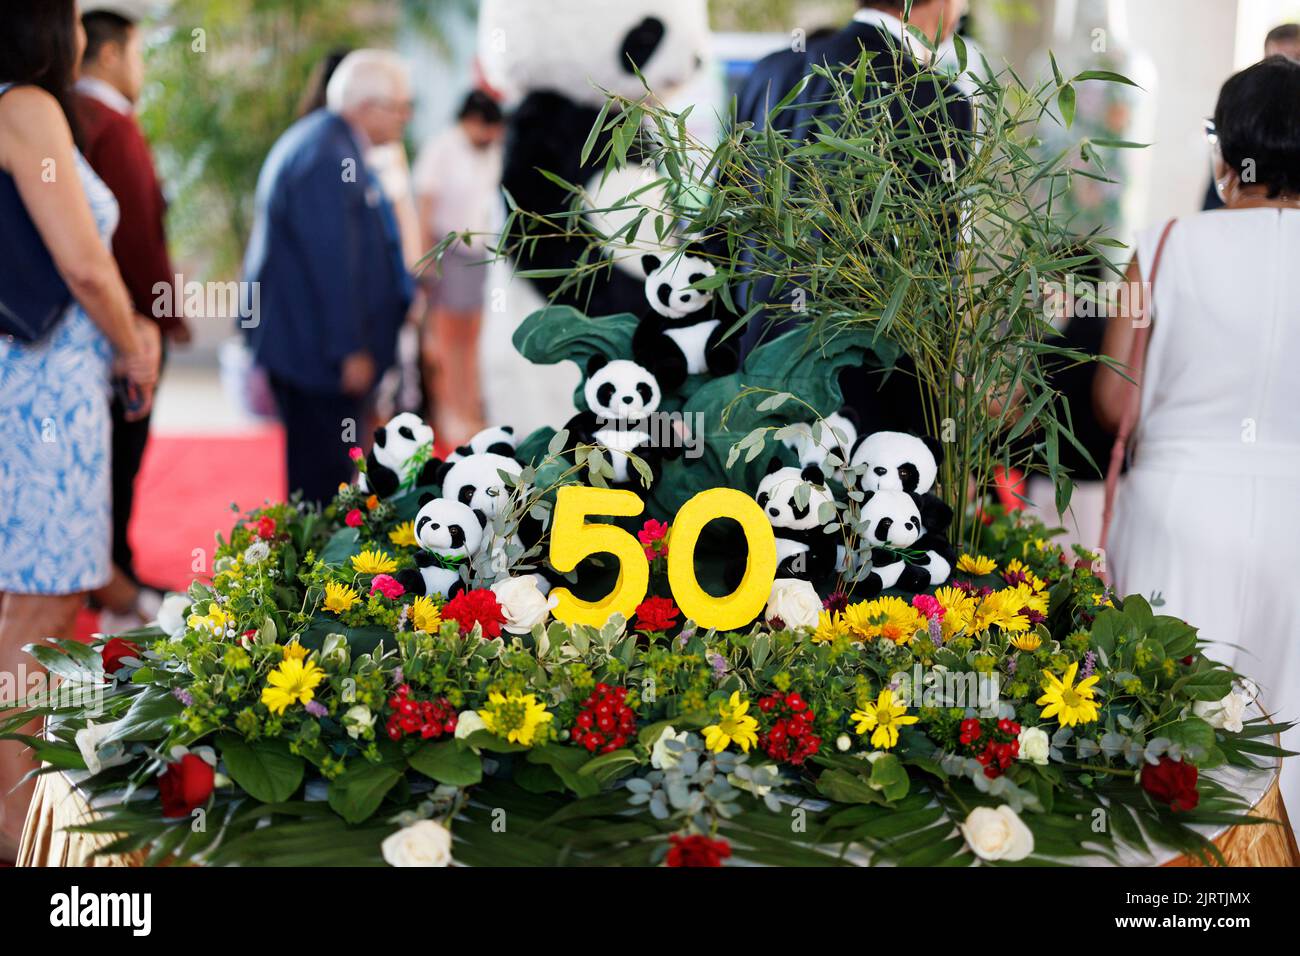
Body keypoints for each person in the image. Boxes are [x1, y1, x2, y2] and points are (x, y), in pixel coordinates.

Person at [1096, 57, 1300, 823]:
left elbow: (1117, 402)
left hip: (1179, 511)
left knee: (1168, 747)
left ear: (1226, 154)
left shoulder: (1167, 243)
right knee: (1291, 741)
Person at [0, 0, 161, 861]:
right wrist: (137, 346)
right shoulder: (24, 104)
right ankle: (21, 831)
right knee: (40, 606)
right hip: (39, 398)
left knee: (25, 605)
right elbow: (83, 263)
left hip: (27, 389)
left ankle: (28, 814)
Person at [735, 0, 971, 436]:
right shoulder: (933, 99)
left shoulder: (770, 71)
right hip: (862, 389)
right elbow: (928, 277)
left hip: (751, 368)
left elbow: (724, 228)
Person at [242, 50, 414, 506]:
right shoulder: (329, 155)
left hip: (314, 349)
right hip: (319, 354)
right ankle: (312, 573)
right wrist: (350, 348)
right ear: (367, 105)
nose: (405, 119)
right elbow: (332, 265)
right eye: (400, 107)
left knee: (325, 472)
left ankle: (313, 567)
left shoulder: (331, 143)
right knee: (321, 481)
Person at [76, 2, 191, 629]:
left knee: (114, 455)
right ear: (112, 52)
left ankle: (111, 573)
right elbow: (133, 241)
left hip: (113, 320)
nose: (141, 68)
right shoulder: (108, 124)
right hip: (126, 327)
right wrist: (154, 319)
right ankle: (110, 581)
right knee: (121, 454)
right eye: (138, 52)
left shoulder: (83, 117)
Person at [411, 90, 505, 446]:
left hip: (485, 252)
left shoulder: (492, 151)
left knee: (475, 337)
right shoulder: (442, 149)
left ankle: (472, 410)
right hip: (448, 251)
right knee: (449, 339)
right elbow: (426, 206)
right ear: (469, 121)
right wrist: (425, 260)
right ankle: (451, 413)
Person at [1202, 23, 1299, 211]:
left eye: (1296, 59)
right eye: (1276, 60)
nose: (1286, 71)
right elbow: (1233, 186)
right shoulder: (1242, 114)